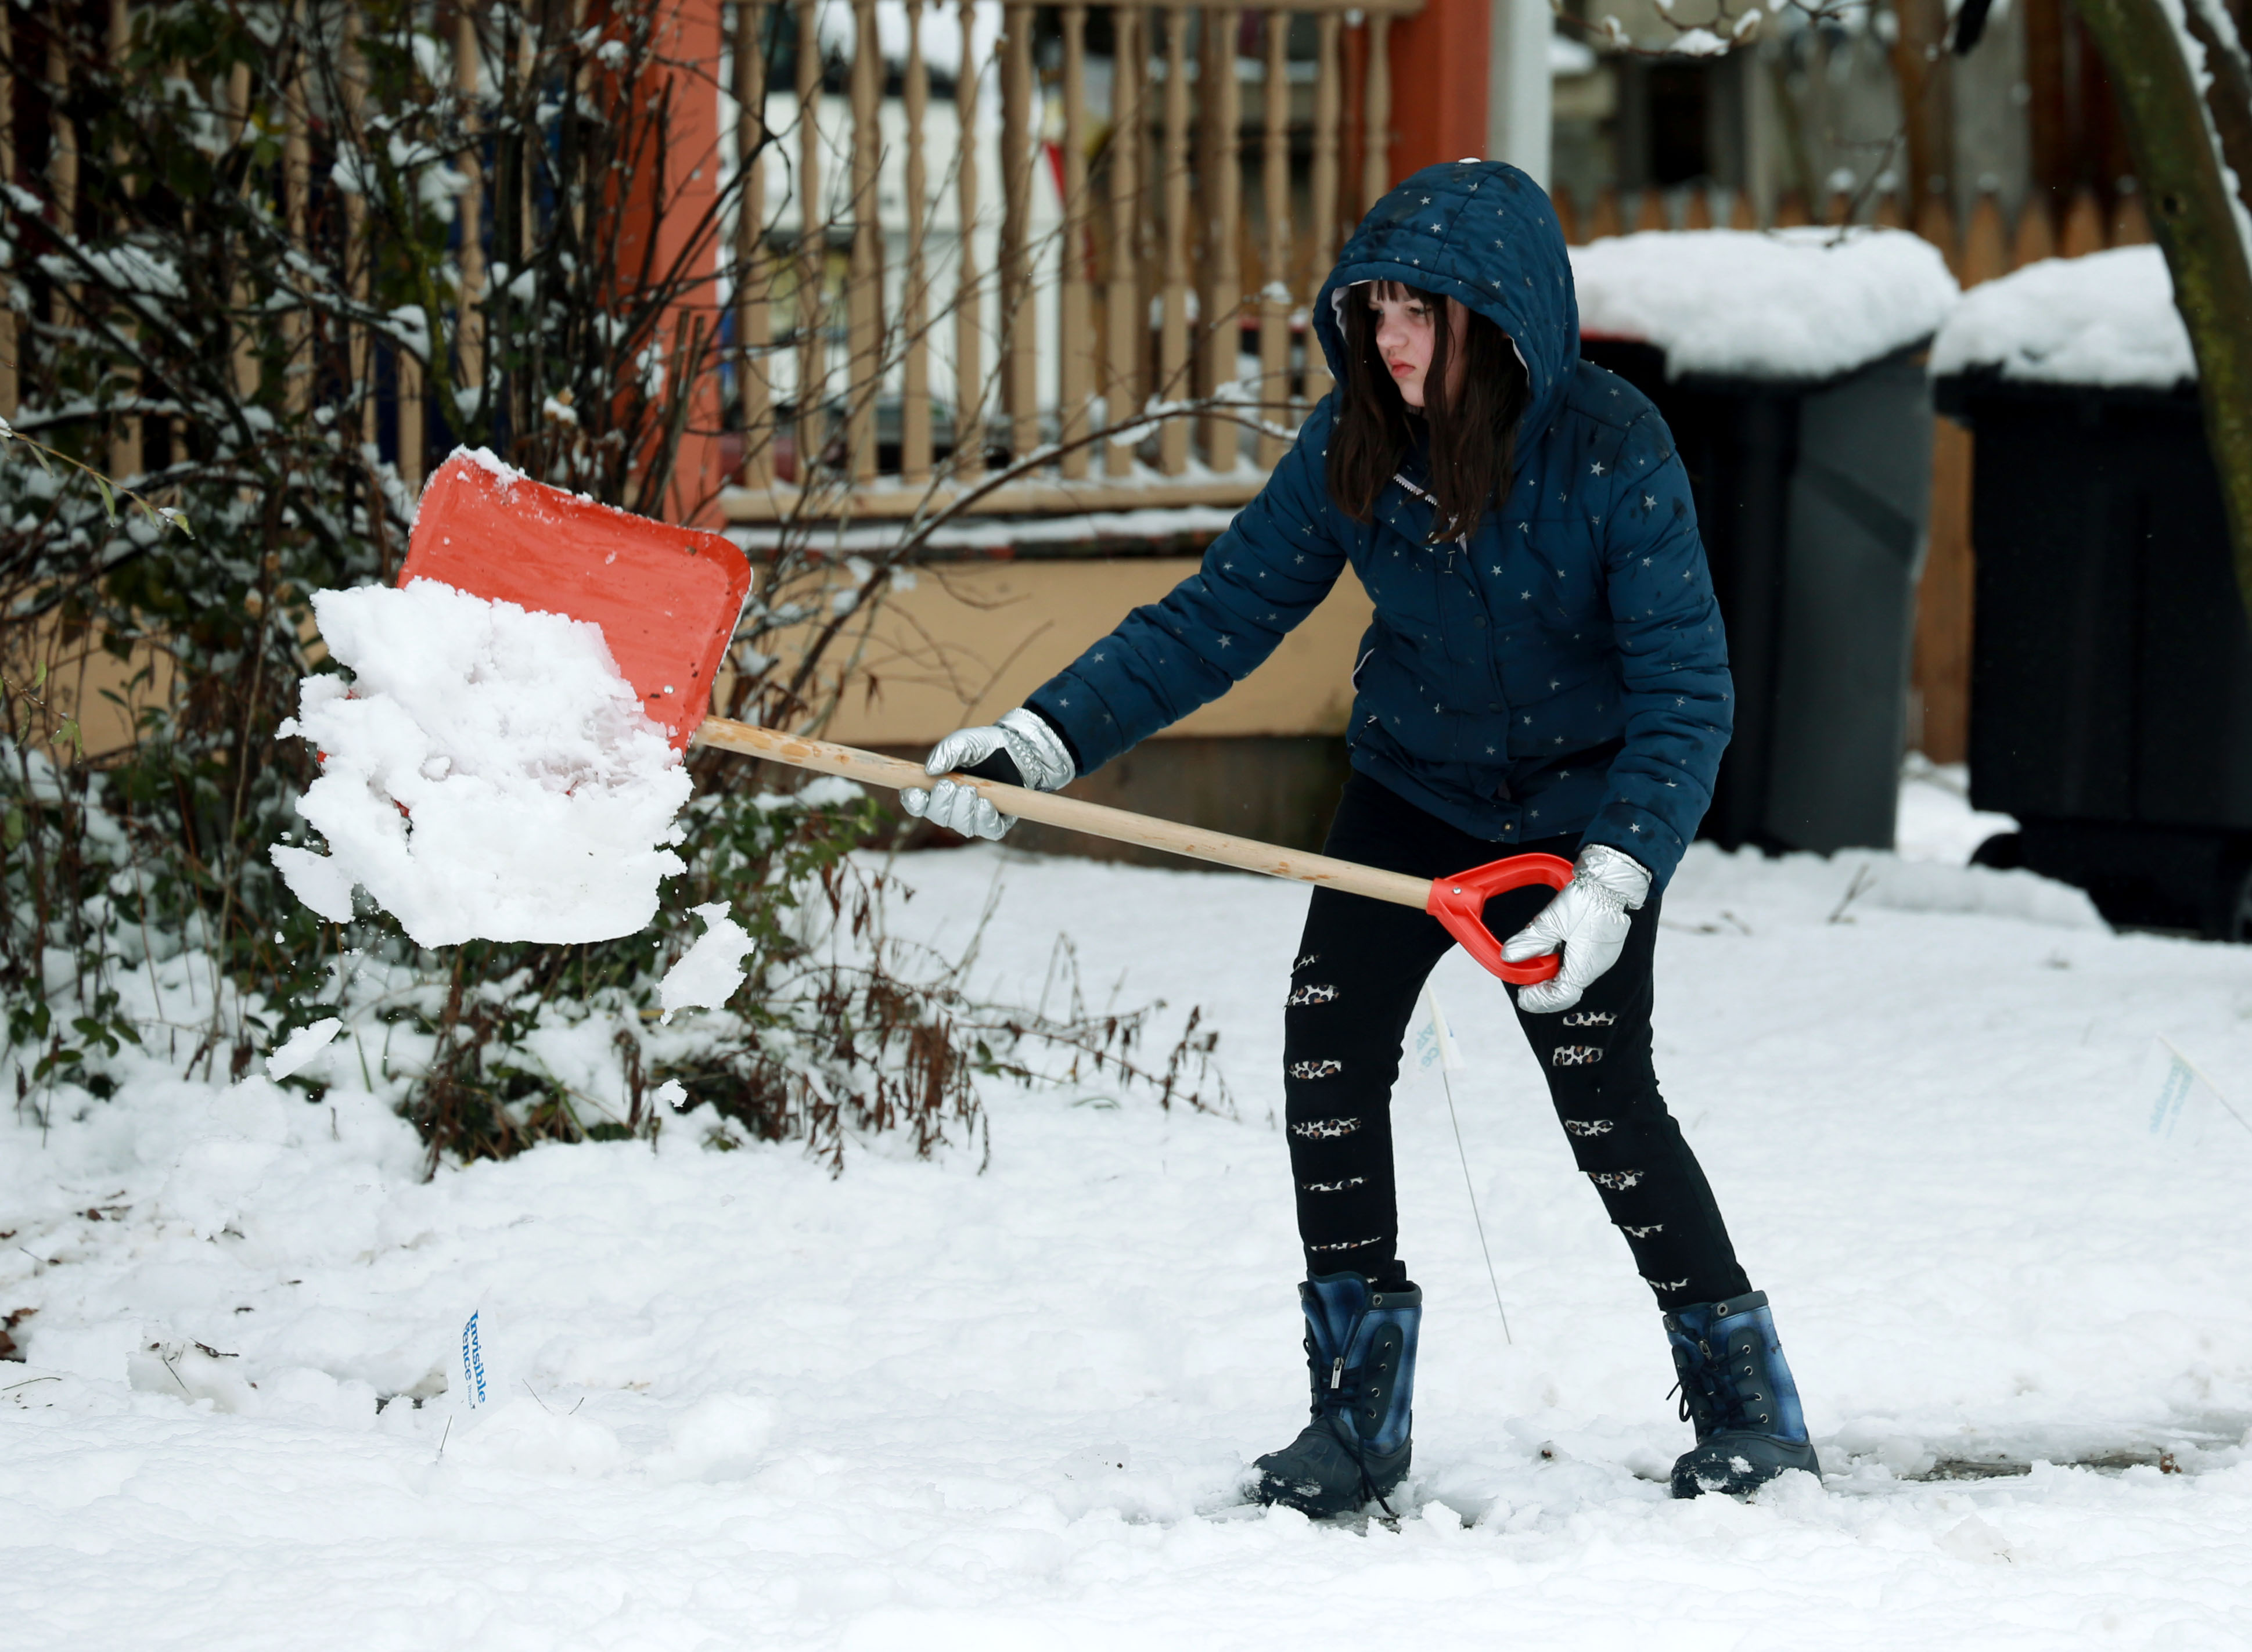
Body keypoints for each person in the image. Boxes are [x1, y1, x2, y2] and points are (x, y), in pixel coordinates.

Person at [901, 160, 1818, 1513]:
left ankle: (1748, 1398)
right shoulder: (1358, 442)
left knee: (1605, 1104)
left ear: (1495, 319)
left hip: (1574, 824)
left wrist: (1614, 877)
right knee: (1327, 1056)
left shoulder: (1616, 450)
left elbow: (1689, 694)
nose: (1385, 340)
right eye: (1373, 309)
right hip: (1413, 796)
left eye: (1417, 313)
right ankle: (1354, 1415)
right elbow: (1219, 615)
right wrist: (1040, 741)